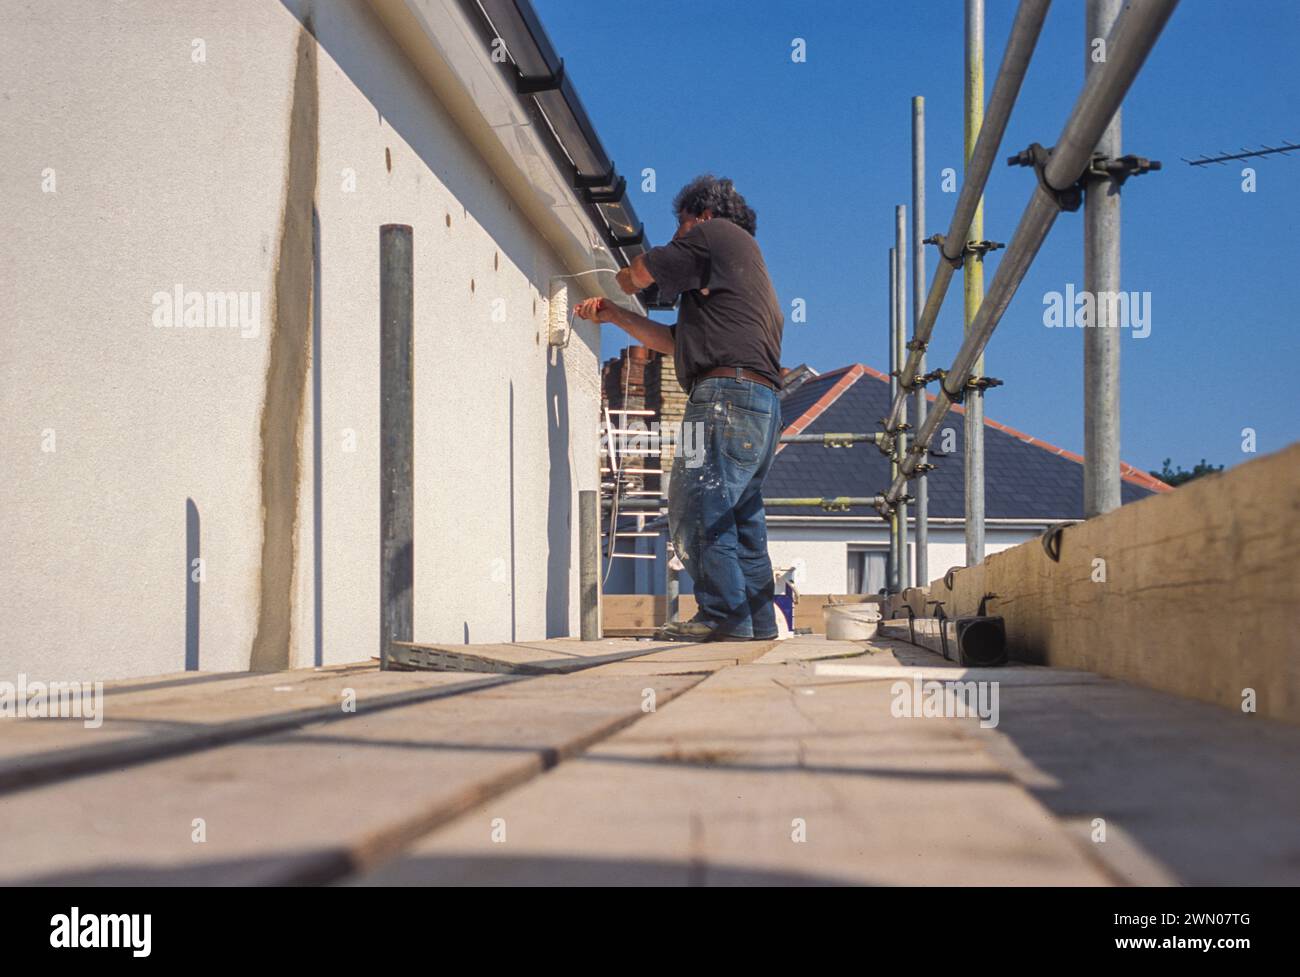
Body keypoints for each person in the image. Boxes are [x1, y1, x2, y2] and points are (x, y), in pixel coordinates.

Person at [574, 175, 784, 641]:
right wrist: (615, 314)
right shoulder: (743, 279)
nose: (677, 236)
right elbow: (672, 342)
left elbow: (642, 273)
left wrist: (623, 279)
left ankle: (722, 619)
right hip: (757, 403)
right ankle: (757, 624)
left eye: (681, 225)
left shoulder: (717, 234)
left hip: (720, 400)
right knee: (741, 519)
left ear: (703, 216)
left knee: (695, 505)